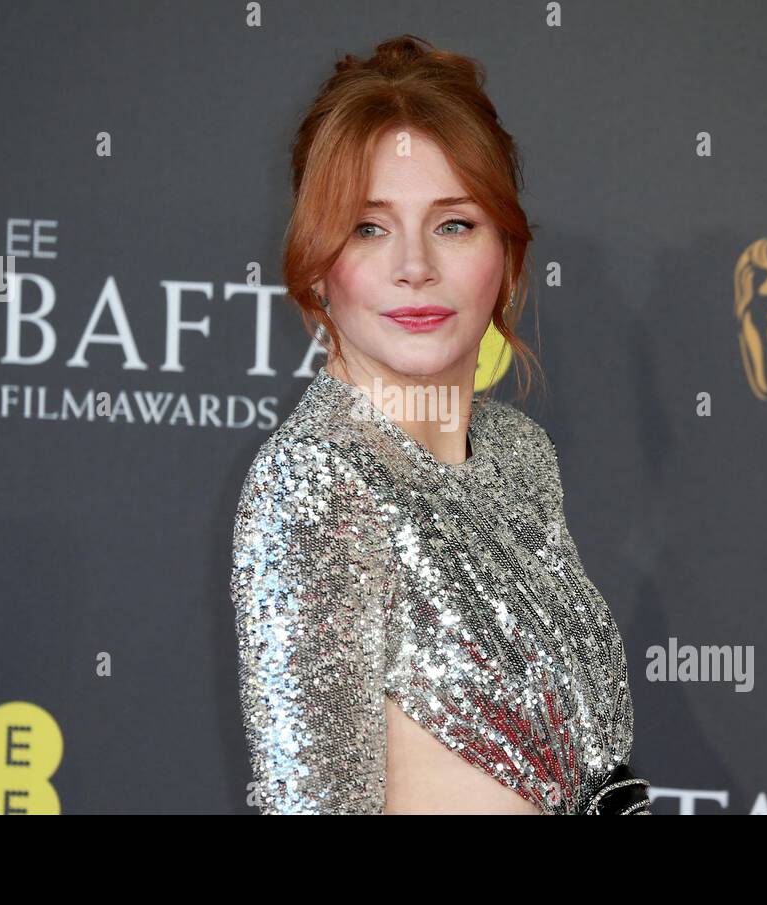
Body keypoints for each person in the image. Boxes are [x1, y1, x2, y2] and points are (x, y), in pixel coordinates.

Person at [230, 34, 649, 814]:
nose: (414, 265)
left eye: (454, 224)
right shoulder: (319, 482)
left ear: (509, 257)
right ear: (318, 266)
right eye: (368, 226)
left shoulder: (520, 456)